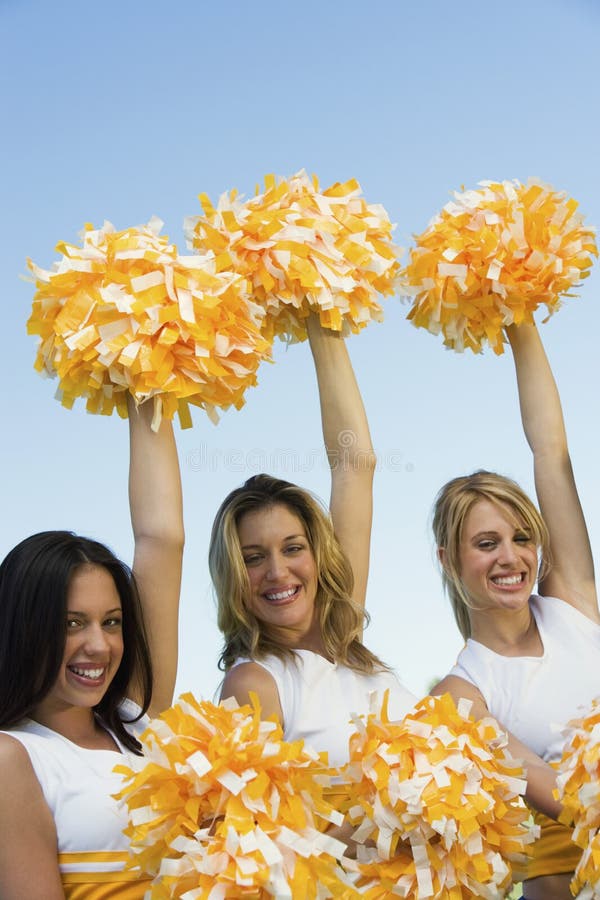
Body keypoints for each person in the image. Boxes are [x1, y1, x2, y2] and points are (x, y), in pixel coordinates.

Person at [431, 322, 600, 900]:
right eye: (486, 543)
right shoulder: (460, 693)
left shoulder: (570, 601)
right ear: (449, 560)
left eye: (523, 538)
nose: (512, 557)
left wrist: (518, 318)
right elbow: (551, 788)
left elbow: (550, 450)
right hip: (571, 876)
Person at [209, 314, 416, 769]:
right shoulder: (254, 683)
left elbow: (355, 462)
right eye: (253, 558)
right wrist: (392, 817)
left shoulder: (347, 636)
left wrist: (320, 313)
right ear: (233, 576)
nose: (277, 572)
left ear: (318, 555)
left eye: (293, 547)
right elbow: (262, 834)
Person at [0, 398, 184, 900]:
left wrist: (146, 374)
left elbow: (162, 538)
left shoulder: (135, 723)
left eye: (112, 622)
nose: (98, 646)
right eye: (71, 624)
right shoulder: (12, 758)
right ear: (24, 627)